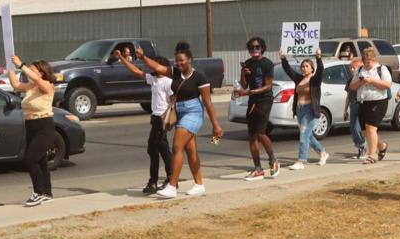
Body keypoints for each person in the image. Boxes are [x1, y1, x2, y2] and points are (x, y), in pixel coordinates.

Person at [154, 42, 223, 197]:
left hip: (193, 112)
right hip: (180, 111)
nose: (178, 63)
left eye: (181, 61)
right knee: (190, 150)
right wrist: (142, 57)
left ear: (189, 60)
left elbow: (208, 102)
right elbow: (158, 68)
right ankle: (199, 185)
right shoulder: (176, 74)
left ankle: (172, 186)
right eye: (176, 61)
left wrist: (216, 125)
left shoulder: (199, 77)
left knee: (177, 146)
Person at [113, 47, 174, 194]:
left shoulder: (168, 82)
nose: (151, 66)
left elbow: (173, 102)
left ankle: (167, 179)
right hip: (154, 118)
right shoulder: (153, 79)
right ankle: (160, 180)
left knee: (160, 149)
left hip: (162, 118)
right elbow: (136, 71)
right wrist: (121, 58)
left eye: (155, 64)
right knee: (156, 149)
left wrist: (166, 117)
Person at [7, 55, 57, 206]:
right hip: (31, 125)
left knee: (31, 159)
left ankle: (38, 192)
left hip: (44, 126)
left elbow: (37, 80)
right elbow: (15, 84)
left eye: (32, 70)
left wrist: (21, 64)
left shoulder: (47, 85)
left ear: (41, 73)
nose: (28, 71)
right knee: (41, 162)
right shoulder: (31, 87)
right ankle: (47, 193)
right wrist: (10, 67)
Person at [236, 37, 279, 181]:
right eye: (251, 48)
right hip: (252, 101)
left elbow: (268, 86)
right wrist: (243, 74)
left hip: (265, 100)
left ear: (262, 48)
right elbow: (244, 85)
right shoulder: (247, 64)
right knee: (252, 135)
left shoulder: (267, 64)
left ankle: (273, 160)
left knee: (261, 133)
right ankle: (258, 169)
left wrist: (247, 93)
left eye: (257, 47)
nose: (254, 50)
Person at [280, 50, 330, 169]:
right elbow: (288, 70)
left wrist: (318, 57)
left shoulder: (315, 80)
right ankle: (323, 153)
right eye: (302, 66)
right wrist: (283, 58)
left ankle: (301, 161)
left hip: (310, 110)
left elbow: (321, 70)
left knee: (303, 135)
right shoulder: (299, 79)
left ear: (312, 68)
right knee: (308, 135)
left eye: (307, 66)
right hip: (299, 110)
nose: (304, 68)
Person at [349, 47, 392, 164]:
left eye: (369, 62)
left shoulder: (381, 69)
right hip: (363, 102)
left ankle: (371, 155)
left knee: (371, 128)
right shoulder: (359, 71)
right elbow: (352, 87)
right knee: (365, 132)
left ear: (374, 60)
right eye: (365, 62)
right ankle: (382, 146)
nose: (367, 64)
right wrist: (361, 82)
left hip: (378, 101)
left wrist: (372, 81)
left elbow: (387, 84)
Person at [343, 56, 367, 159]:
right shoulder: (350, 80)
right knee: (353, 128)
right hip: (353, 105)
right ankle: (360, 148)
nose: (352, 70)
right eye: (351, 68)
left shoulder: (363, 80)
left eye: (354, 67)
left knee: (358, 129)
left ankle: (363, 147)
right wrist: (345, 110)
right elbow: (348, 96)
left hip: (361, 105)